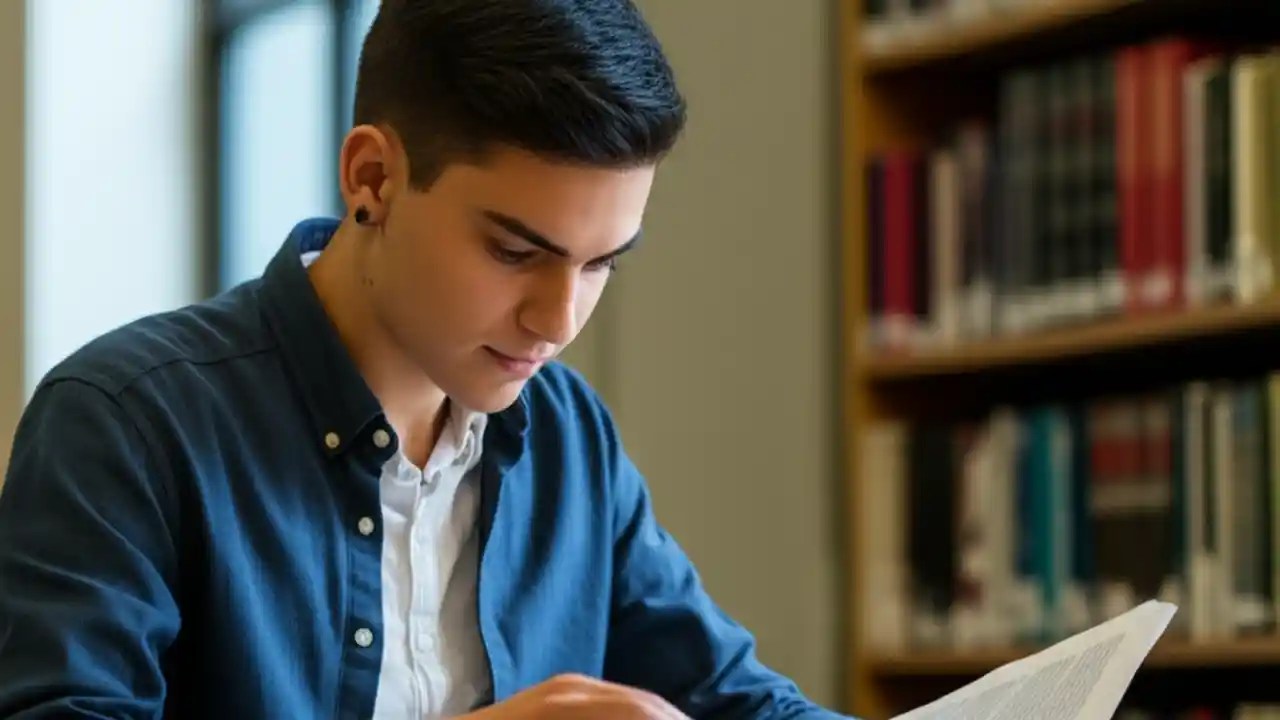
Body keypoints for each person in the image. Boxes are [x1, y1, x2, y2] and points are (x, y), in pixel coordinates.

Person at [0, 1, 854, 718]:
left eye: (601, 264)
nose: (558, 321)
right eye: (516, 252)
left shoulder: (568, 438)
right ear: (372, 176)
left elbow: (739, 702)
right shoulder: (124, 421)